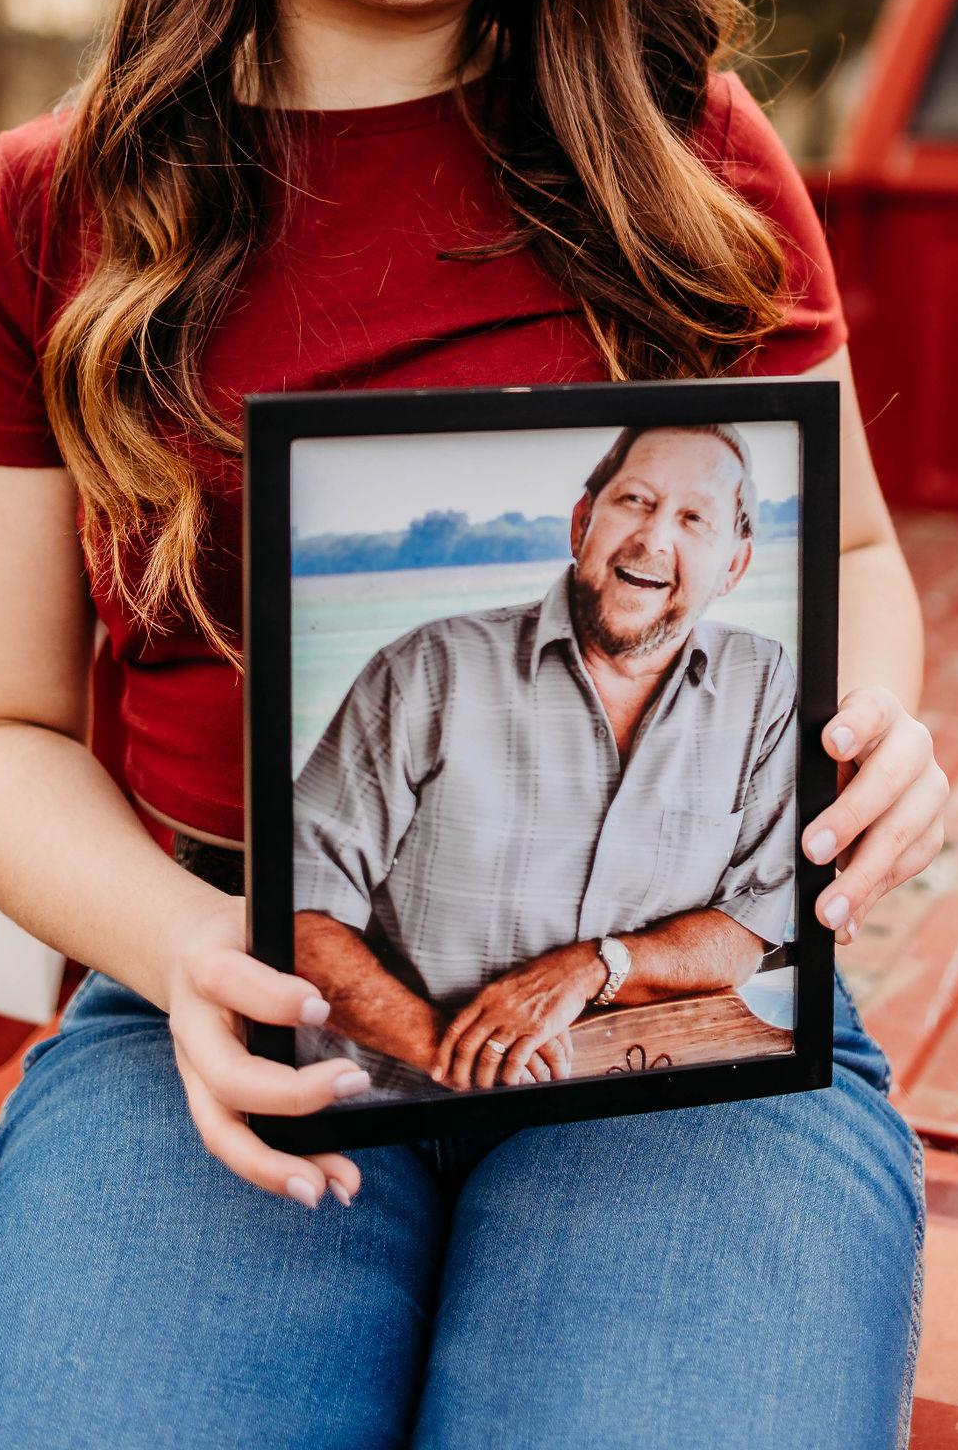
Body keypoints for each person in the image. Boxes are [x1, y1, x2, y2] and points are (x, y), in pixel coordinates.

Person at [0, 0, 948, 1450]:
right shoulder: (50, 211)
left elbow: (860, 564)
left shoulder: (691, 164)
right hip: (222, 981)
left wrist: (874, 721)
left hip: (686, 1026)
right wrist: (190, 960)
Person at [291, 423, 797, 1096]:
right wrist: (456, 1054)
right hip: (393, 1093)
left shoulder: (764, 684)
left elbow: (746, 924)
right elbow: (300, 912)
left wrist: (594, 966)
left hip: (636, 1092)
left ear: (733, 565)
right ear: (582, 523)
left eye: (694, 518)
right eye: (636, 502)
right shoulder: (426, 671)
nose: (653, 539)